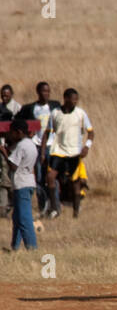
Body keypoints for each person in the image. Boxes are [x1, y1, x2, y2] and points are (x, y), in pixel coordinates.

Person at [45, 87, 94, 218]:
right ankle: (54, 208)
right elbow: (48, 132)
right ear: (66, 99)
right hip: (58, 152)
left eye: (76, 100)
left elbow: (91, 132)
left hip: (74, 153)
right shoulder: (55, 113)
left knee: (75, 183)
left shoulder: (80, 114)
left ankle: (76, 213)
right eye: (73, 99)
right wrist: (44, 150)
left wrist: (86, 147)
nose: (75, 102)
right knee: (50, 177)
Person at [15, 82, 56, 218]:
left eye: (48, 91)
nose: (46, 94)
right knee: (38, 177)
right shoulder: (30, 108)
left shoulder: (55, 107)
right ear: (38, 92)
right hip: (36, 145)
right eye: (44, 91)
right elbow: (18, 122)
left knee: (52, 177)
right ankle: (43, 207)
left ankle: (54, 207)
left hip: (52, 146)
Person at [6, 119, 38, 251]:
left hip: (21, 184)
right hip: (29, 182)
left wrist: (3, 151)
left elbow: (13, 165)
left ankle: (32, 247)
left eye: (12, 133)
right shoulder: (30, 144)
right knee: (18, 217)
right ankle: (15, 246)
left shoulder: (21, 146)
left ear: (19, 132)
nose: (11, 135)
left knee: (24, 218)